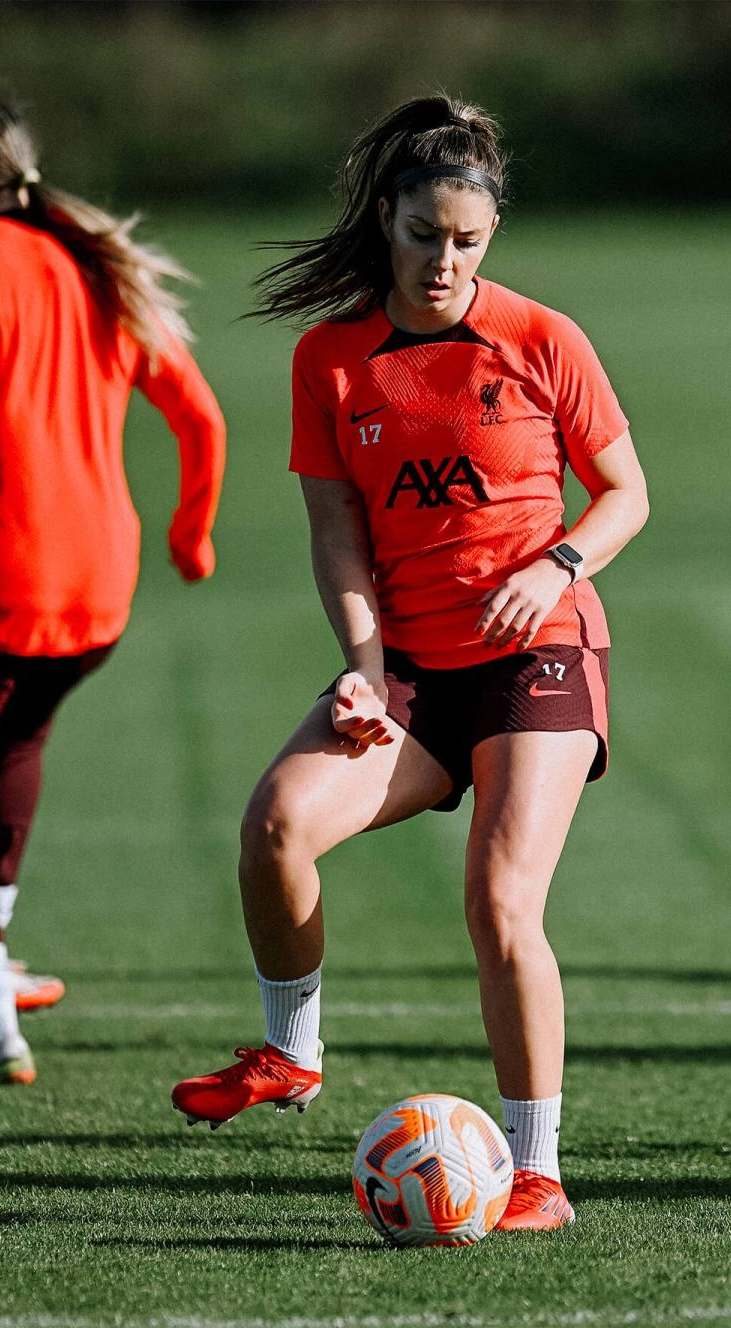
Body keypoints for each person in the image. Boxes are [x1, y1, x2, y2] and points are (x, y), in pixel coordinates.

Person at [171, 95, 648, 1232]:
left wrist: (561, 563)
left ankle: (536, 1172)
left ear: (491, 238)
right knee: (277, 821)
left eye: (469, 240)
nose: (446, 259)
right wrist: (365, 670)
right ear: (388, 218)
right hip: (416, 676)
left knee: (498, 899)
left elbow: (629, 491)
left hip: (541, 655)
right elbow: (337, 534)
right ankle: (292, 1053)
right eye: (427, 233)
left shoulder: (541, 337)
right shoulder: (332, 359)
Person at [0, 92, 226, 1086]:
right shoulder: (95, 267)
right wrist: (191, 533)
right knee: (15, 747)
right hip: (99, 585)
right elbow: (202, 417)